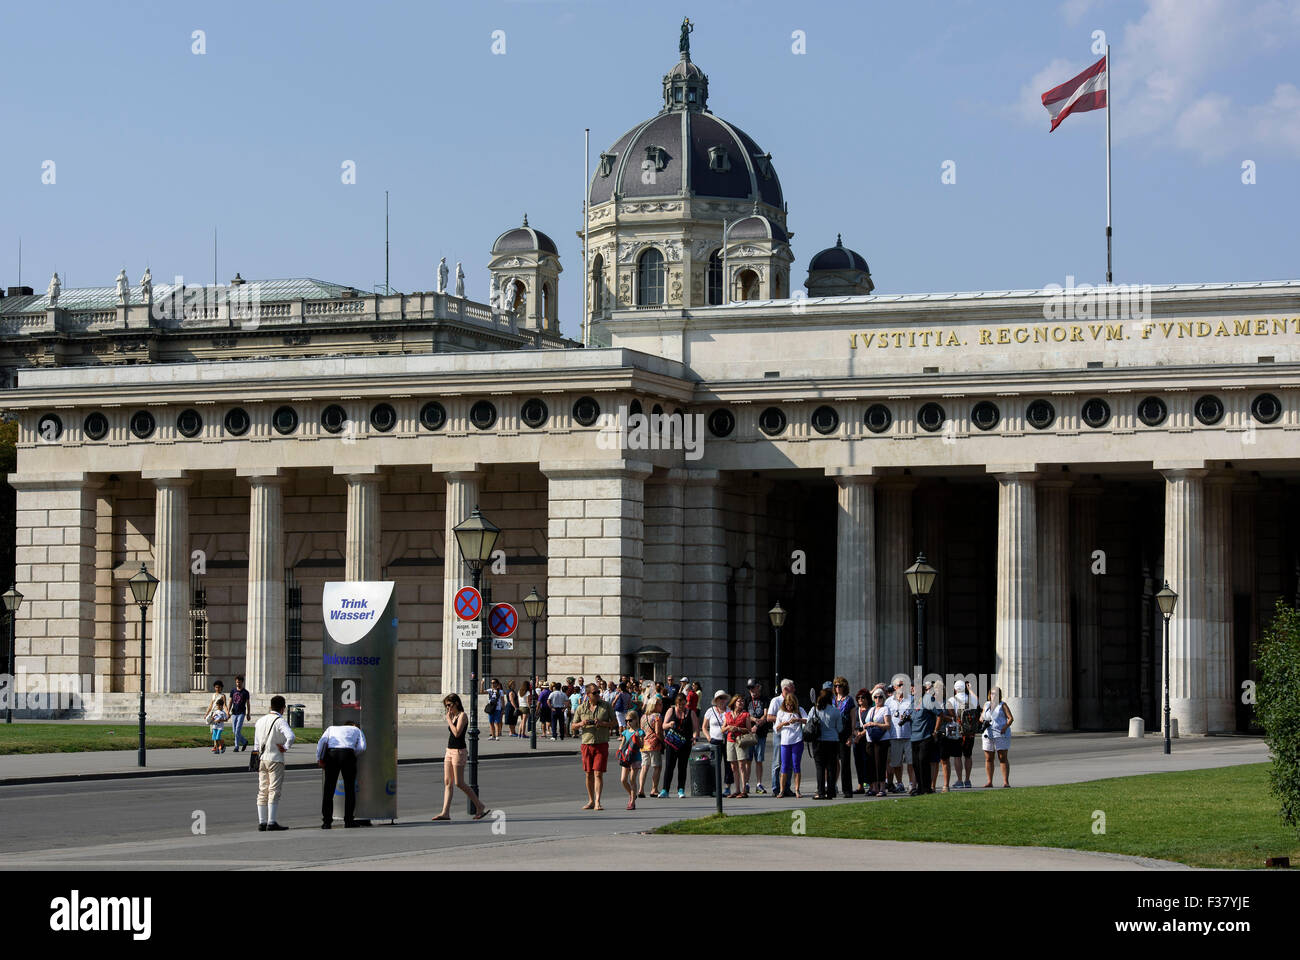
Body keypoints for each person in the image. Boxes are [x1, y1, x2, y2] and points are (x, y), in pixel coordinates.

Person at [434, 694, 490, 820]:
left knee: (459, 782)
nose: (448, 708)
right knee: (448, 782)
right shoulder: (453, 716)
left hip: (459, 751)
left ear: (456, 703)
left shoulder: (462, 716)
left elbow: (457, 733)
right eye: (446, 706)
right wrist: (450, 718)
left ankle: (479, 806)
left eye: (449, 705)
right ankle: (445, 812)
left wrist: (448, 720)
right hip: (449, 750)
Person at [252, 695, 295, 831]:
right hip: (275, 758)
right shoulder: (280, 721)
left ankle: (262, 822)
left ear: (270, 707)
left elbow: (256, 744)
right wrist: (286, 747)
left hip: (262, 759)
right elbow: (291, 736)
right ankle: (271, 822)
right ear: (283, 708)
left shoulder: (260, 721)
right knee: (274, 790)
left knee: (262, 790)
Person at [316, 720, 369, 828]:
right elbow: (362, 747)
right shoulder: (357, 729)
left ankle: (327, 822)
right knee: (349, 789)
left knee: (329, 789)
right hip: (348, 755)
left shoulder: (331, 728)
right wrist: (352, 753)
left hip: (332, 754)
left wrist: (319, 758)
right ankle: (349, 821)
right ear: (353, 725)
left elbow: (322, 742)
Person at [573, 682, 617, 810]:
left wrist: (602, 723)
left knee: (598, 773)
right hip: (586, 743)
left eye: (598, 692)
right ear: (588, 695)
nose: (598, 695)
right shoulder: (581, 708)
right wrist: (582, 723)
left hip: (601, 743)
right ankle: (591, 800)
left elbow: (614, 722)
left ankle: (598, 801)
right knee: (588, 773)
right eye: (595, 693)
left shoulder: (606, 706)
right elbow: (573, 726)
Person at [909, 681, 943, 795]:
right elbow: (910, 716)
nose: (912, 690)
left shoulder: (928, 699)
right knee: (915, 763)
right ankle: (920, 788)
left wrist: (935, 731)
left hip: (925, 736)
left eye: (914, 688)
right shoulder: (913, 701)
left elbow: (939, 714)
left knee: (923, 761)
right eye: (912, 688)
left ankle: (927, 788)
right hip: (914, 737)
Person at [945, 679, 980, 789]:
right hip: (970, 732)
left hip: (958, 731)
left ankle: (959, 780)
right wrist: (970, 690)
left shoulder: (952, 700)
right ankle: (968, 780)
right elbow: (978, 701)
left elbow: (951, 715)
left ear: (955, 689)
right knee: (968, 756)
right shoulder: (972, 699)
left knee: (957, 756)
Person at [660, 691, 695, 798]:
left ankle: (681, 789)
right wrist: (669, 724)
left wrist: (695, 737)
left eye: (683, 704)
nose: (681, 706)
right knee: (669, 766)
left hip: (685, 743)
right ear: (676, 703)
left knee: (682, 767)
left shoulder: (690, 712)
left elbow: (696, 728)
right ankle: (665, 790)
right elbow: (663, 726)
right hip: (672, 743)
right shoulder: (671, 710)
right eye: (679, 704)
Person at [811, 684, 843, 799]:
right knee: (831, 767)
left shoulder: (815, 709)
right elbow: (839, 728)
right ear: (831, 699)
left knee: (820, 767)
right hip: (832, 741)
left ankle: (820, 792)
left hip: (819, 741)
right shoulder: (835, 711)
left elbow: (809, 724)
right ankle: (831, 791)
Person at [773, 691, 807, 798]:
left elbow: (808, 720)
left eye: (791, 705)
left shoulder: (800, 710)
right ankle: (782, 790)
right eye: (787, 704)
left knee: (796, 765)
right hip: (785, 742)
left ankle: (797, 790)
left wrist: (798, 720)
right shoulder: (781, 712)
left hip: (797, 741)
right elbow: (776, 728)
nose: (789, 707)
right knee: (784, 766)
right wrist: (784, 723)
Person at [766, 678, 796, 794]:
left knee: (789, 762)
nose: (794, 689)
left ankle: (786, 787)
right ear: (785, 689)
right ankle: (776, 787)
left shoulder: (793, 700)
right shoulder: (776, 701)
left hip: (791, 735)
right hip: (779, 734)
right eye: (792, 687)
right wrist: (784, 719)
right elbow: (769, 717)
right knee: (777, 762)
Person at [981, 686, 1014, 788]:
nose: (993, 695)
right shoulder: (986, 705)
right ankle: (989, 781)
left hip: (1001, 734)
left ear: (999, 695)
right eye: (992, 693)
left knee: (1002, 757)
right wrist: (983, 721)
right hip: (988, 734)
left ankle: (1005, 782)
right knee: (988, 758)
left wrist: (1005, 727)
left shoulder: (1002, 705)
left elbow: (1010, 718)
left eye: (995, 694)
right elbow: (981, 717)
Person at [886, 678, 915, 794]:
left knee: (911, 762)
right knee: (896, 762)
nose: (903, 687)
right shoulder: (888, 701)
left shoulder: (912, 699)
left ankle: (912, 784)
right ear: (894, 687)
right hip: (894, 735)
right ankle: (899, 783)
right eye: (900, 685)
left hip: (909, 735)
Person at [702, 690, 734, 796]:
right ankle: (714, 787)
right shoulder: (710, 711)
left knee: (728, 764)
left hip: (727, 740)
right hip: (714, 740)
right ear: (716, 700)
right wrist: (708, 738)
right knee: (714, 764)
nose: (722, 700)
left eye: (724, 698)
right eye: (720, 698)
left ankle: (727, 787)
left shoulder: (729, 711)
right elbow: (704, 727)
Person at [723, 694, 754, 798]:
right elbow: (722, 729)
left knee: (741, 764)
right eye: (739, 701)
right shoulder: (727, 714)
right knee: (733, 766)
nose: (741, 703)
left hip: (741, 741)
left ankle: (744, 790)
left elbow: (749, 730)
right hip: (730, 740)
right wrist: (728, 727)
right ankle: (736, 790)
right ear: (734, 702)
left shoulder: (746, 715)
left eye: (742, 701)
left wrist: (738, 729)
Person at [862, 688, 892, 796]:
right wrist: (866, 725)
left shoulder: (886, 709)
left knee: (880, 763)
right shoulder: (871, 710)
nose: (878, 699)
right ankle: (874, 787)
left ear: (883, 698)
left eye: (880, 697)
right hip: (870, 739)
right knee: (871, 764)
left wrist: (875, 724)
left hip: (882, 739)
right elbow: (867, 724)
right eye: (875, 697)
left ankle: (882, 788)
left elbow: (888, 725)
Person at [744, 680, 770, 795]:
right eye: (750, 689)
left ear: (758, 687)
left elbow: (765, 714)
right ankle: (746, 783)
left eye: (753, 688)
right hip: (749, 734)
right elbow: (745, 715)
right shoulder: (747, 700)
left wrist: (758, 725)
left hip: (761, 734)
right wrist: (754, 720)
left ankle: (759, 783)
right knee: (748, 760)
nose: (752, 691)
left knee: (759, 759)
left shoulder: (764, 699)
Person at [832, 676, 856, 796]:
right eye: (836, 686)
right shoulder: (832, 700)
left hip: (845, 734)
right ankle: (832, 788)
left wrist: (851, 735)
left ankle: (847, 790)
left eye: (839, 686)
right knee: (833, 763)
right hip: (833, 735)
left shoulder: (849, 700)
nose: (837, 688)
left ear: (844, 687)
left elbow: (853, 718)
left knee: (845, 763)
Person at [617, 710, 643, 810]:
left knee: (632, 779)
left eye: (630, 720)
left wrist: (637, 738)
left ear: (636, 720)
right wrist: (619, 750)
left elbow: (642, 745)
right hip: (626, 758)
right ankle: (632, 795)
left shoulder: (639, 732)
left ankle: (632, 802)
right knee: (623, 780)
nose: (628, 722)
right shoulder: (625, 732)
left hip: (635, 758)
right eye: (626, 720)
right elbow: (622, 744)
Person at [638, 695, 663, 798]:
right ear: (655, 706)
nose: (662, 706)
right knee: (657, 767)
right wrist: (663, 741)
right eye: (660, 704)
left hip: (644, 744)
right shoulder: (657, 716)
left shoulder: (644, 717)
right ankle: (654, 789)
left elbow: (641, 730)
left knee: (644, 767)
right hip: (654, 744)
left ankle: (641, 789)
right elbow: (658, 732)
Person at [228, 675, 252, 751]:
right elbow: (230, 701)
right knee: (234, 731)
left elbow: (248, 703)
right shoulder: (233, 691)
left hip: (241, 712)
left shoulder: (245, 692)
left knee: (237, 730)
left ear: (242, 682)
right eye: (237, 682)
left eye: (239, 682)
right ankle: (244, 741)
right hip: (234, 712)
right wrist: (228, 711)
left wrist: (248, 713)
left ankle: (236, 746)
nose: (238, 683)